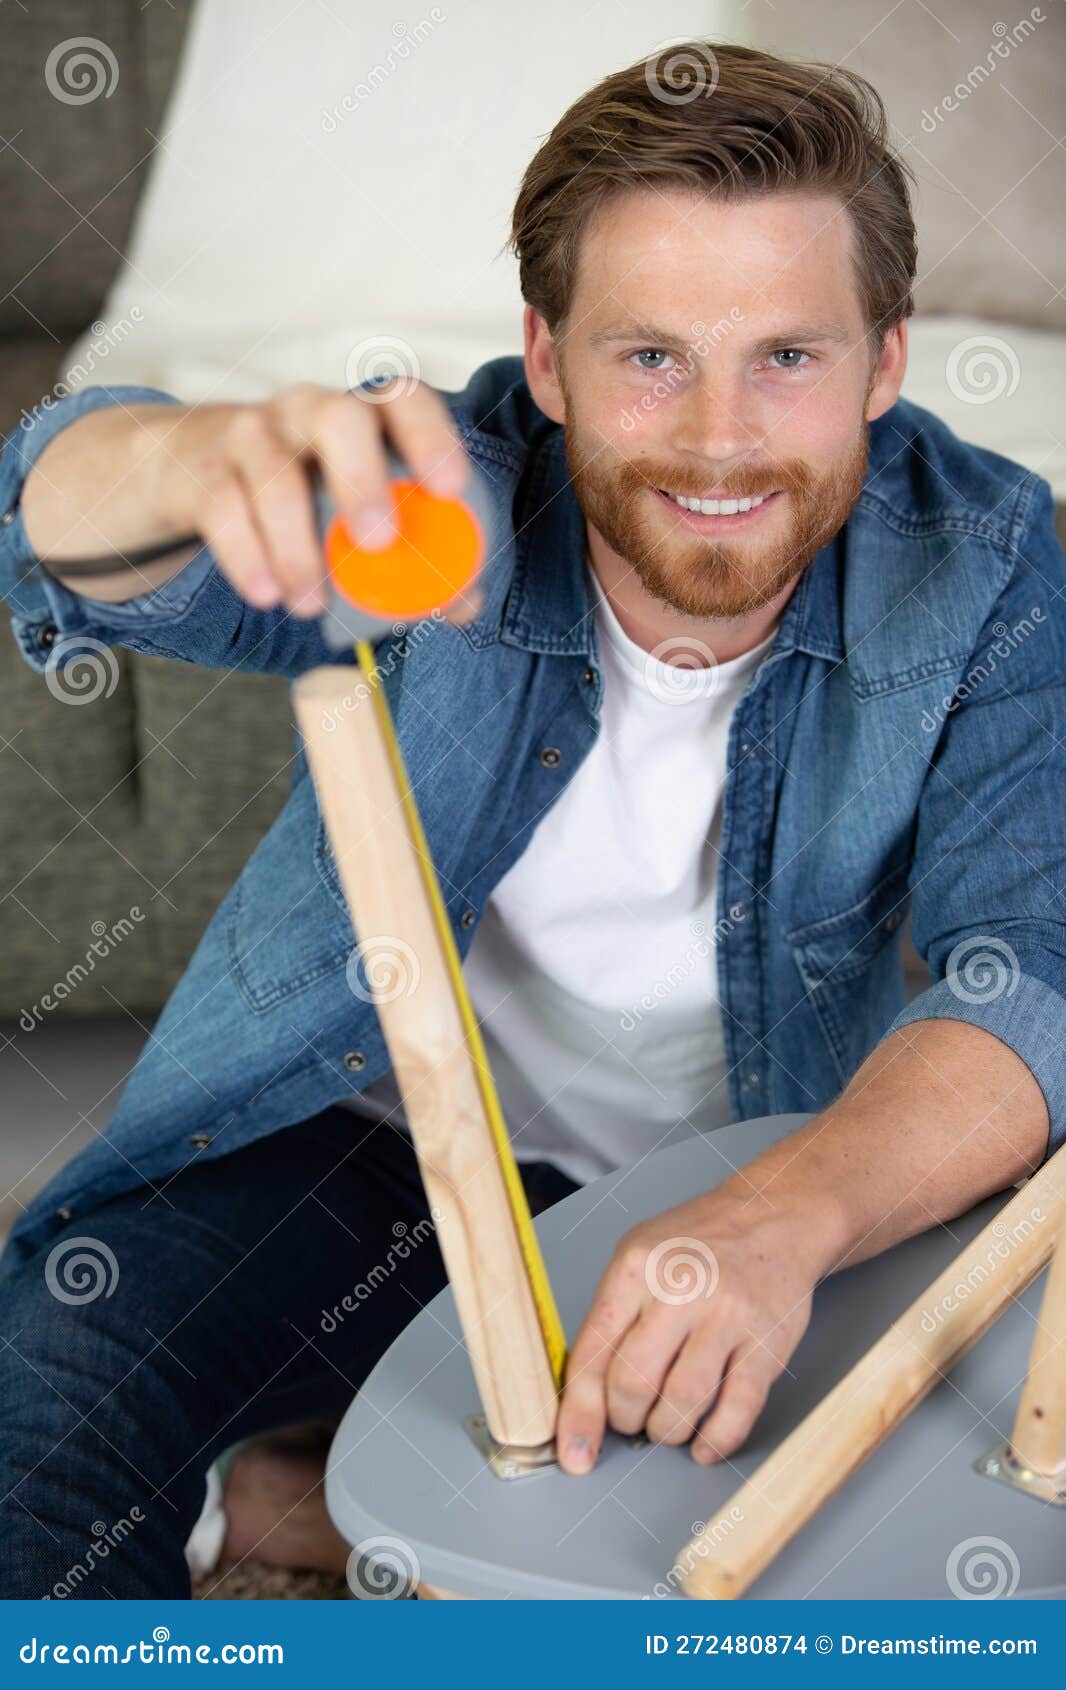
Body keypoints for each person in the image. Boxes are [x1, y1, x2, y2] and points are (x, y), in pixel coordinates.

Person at [2, 41, 1064, 1598]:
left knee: (755, 1567)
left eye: (786, 355)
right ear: (548, 361)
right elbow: (60, 538)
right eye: (649, 357)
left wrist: (784, 1216)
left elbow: (1028, 971)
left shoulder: (986, 562)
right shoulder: (440, 494)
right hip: (353, 1153)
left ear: (884, 362)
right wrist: (187, 456)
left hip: (734, 1172)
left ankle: (303, 1493)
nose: (717, 436)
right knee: (49, 1396)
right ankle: (309, 1481)